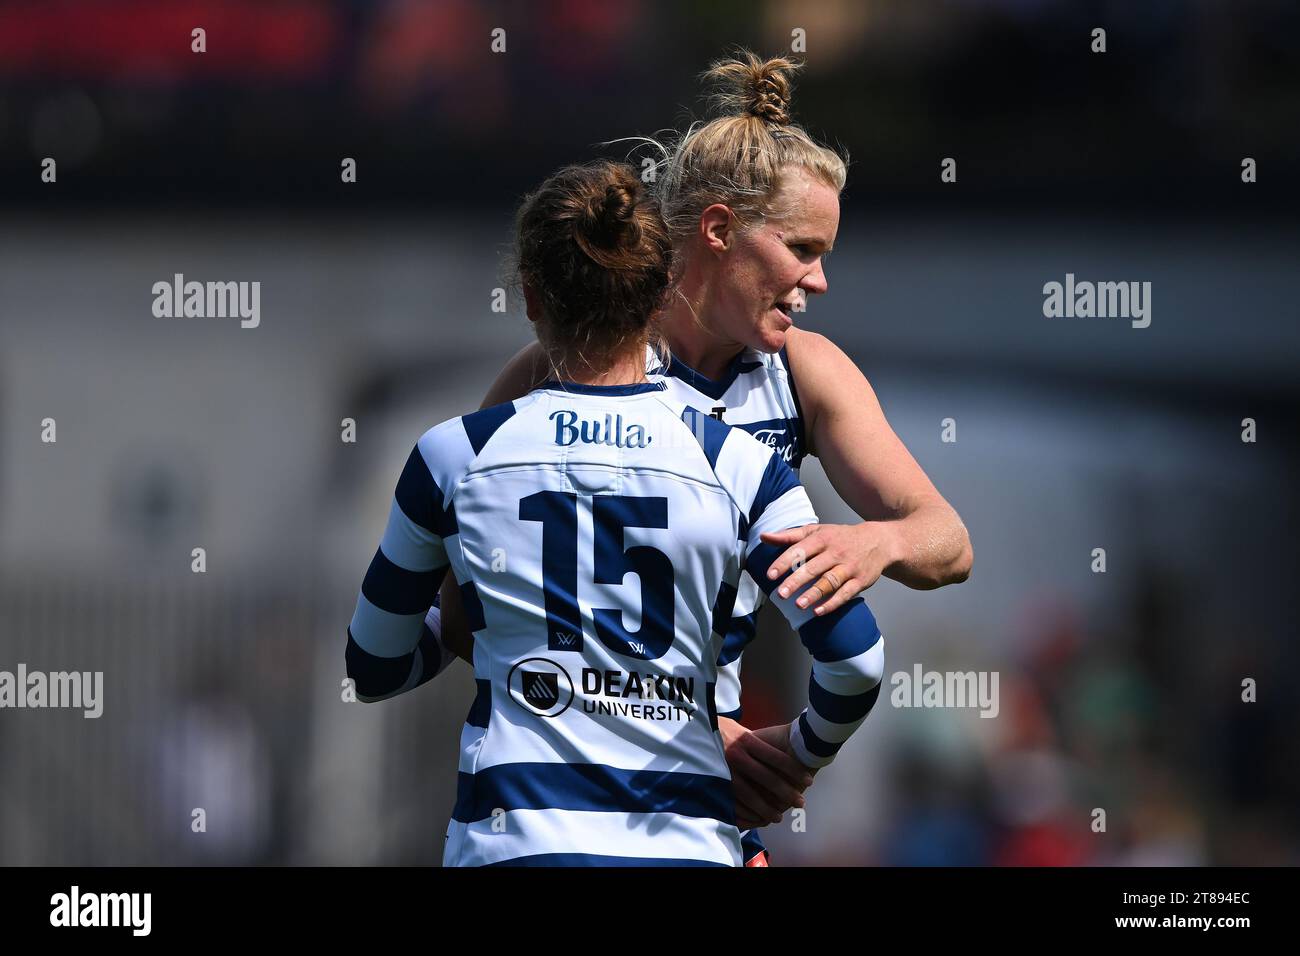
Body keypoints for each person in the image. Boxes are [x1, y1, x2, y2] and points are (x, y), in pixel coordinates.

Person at [427, 52, 972, 865]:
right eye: (801, 248)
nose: (820, 281)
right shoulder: (559, 368)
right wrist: (667, 713)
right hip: (556, 797)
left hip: (691, 802)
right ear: (718, 231)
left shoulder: (806, 374)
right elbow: (463, 609)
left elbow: (948, 543)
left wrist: (878, 543)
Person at [346, 160, 884, 866]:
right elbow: (857, 661)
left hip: (516, 847)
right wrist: (798, 751)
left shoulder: (454, 455)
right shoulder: (741, 465)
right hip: (687, 846)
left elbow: (373, 665)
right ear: (660, 292)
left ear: (531, 298)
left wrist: (491, 631)